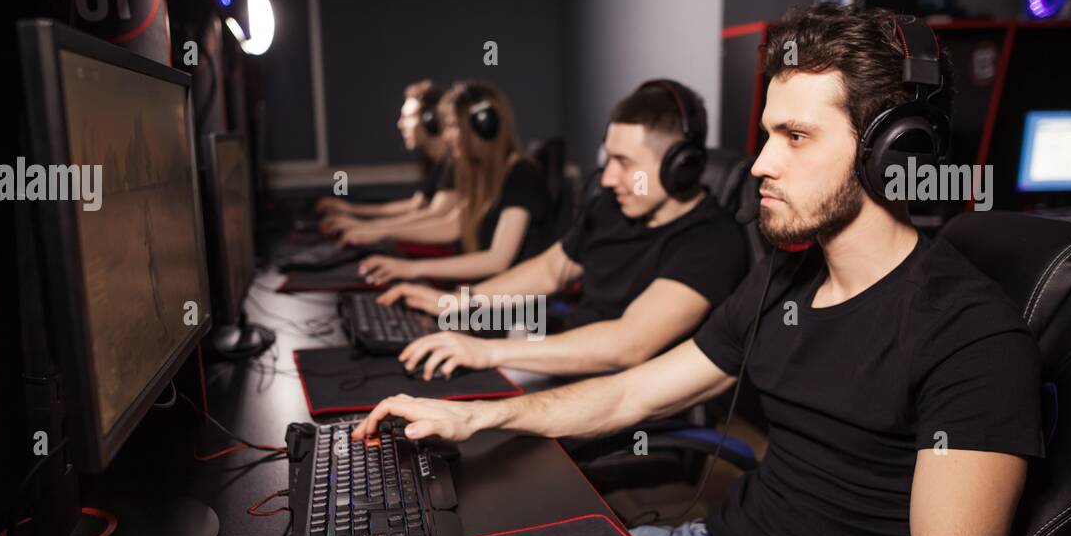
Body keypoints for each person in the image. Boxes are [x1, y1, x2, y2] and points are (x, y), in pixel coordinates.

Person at [352, 3, 1045, 536]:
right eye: (768, 133)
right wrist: (482, 415)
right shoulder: (786, 277)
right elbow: (633, 394)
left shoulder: (970, 332)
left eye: (796, 137)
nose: (762, 164)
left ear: (895, 152)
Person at [377, 80, 748, 379]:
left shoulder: (712, 241)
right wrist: (456, 302)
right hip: (567, 350)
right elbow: (550, 270)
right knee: (418, 366)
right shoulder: (611, 207)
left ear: (679, 167)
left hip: (616, 393)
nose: (607, 177)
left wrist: (489, 352)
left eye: (623, 161)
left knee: (466, 402)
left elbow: (627, 344)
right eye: (608, 158)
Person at [356, 79, 552, 285]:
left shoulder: (521, 175)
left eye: (453, 126)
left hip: (520, 309)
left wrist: (412, 269)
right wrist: (379, 232)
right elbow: (453, 225)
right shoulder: (482, 172)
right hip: (487, 294)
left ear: (483, 127)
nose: (447, 137)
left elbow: (497, 260)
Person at [317, 80, 458, 242]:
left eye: (408, 117)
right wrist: (352, 210)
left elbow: (434, 214)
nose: (400, 124)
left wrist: (370, 228)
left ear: (431, 120)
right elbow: (416, 205)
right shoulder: (439, 163)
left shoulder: (453, 162)